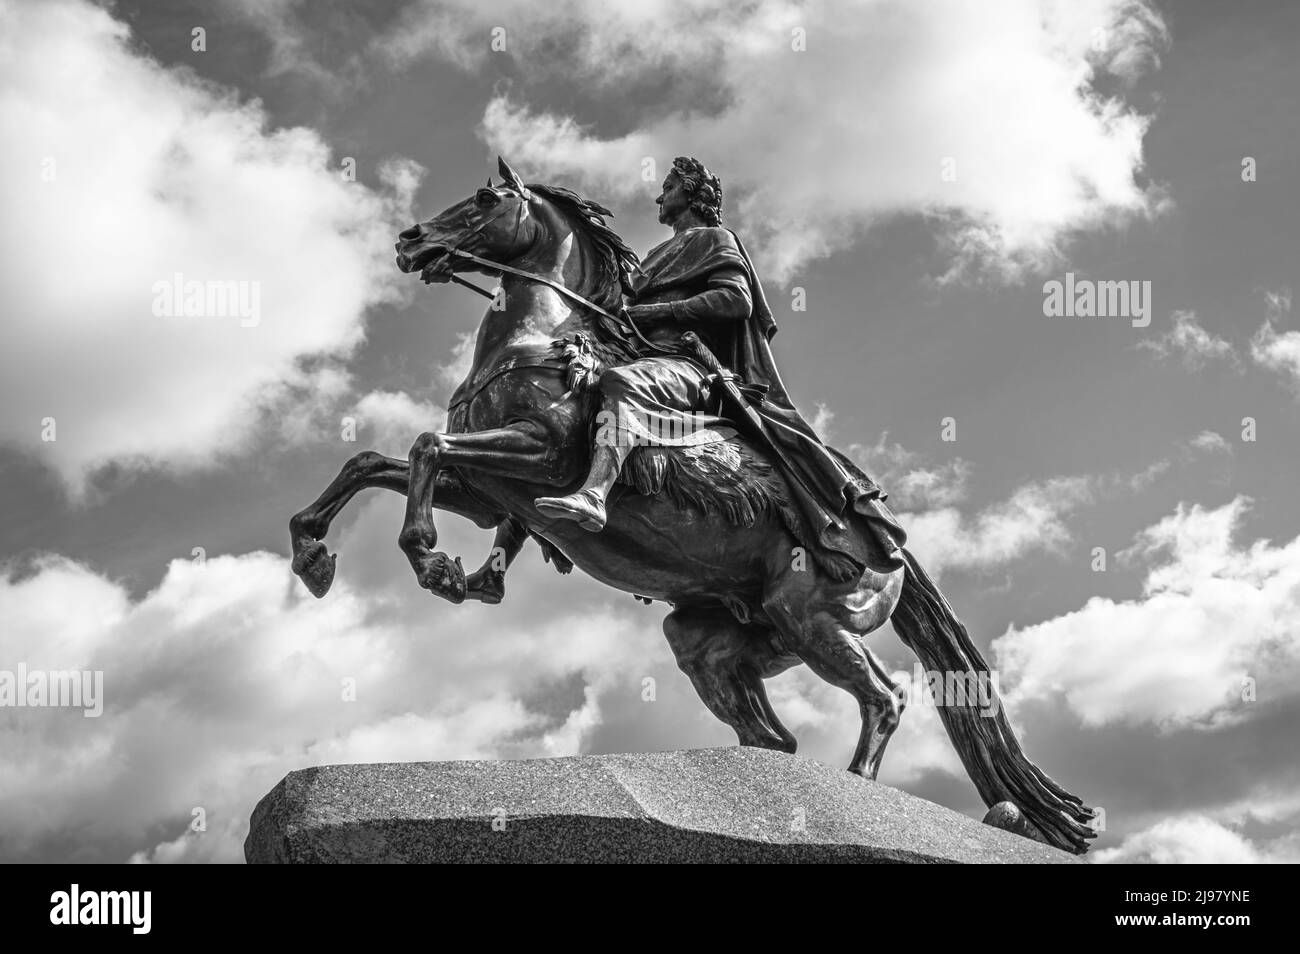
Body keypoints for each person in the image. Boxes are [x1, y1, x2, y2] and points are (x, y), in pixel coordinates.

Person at [534, 157, 905, 579]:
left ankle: (596, 495)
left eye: (669, 186)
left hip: (689, 367)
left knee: (621, 382)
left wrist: (661, 311)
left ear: (694, 194)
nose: (660, 195)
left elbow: (735, 300)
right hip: (647, 355)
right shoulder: (656, 253)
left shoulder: (715, 238)